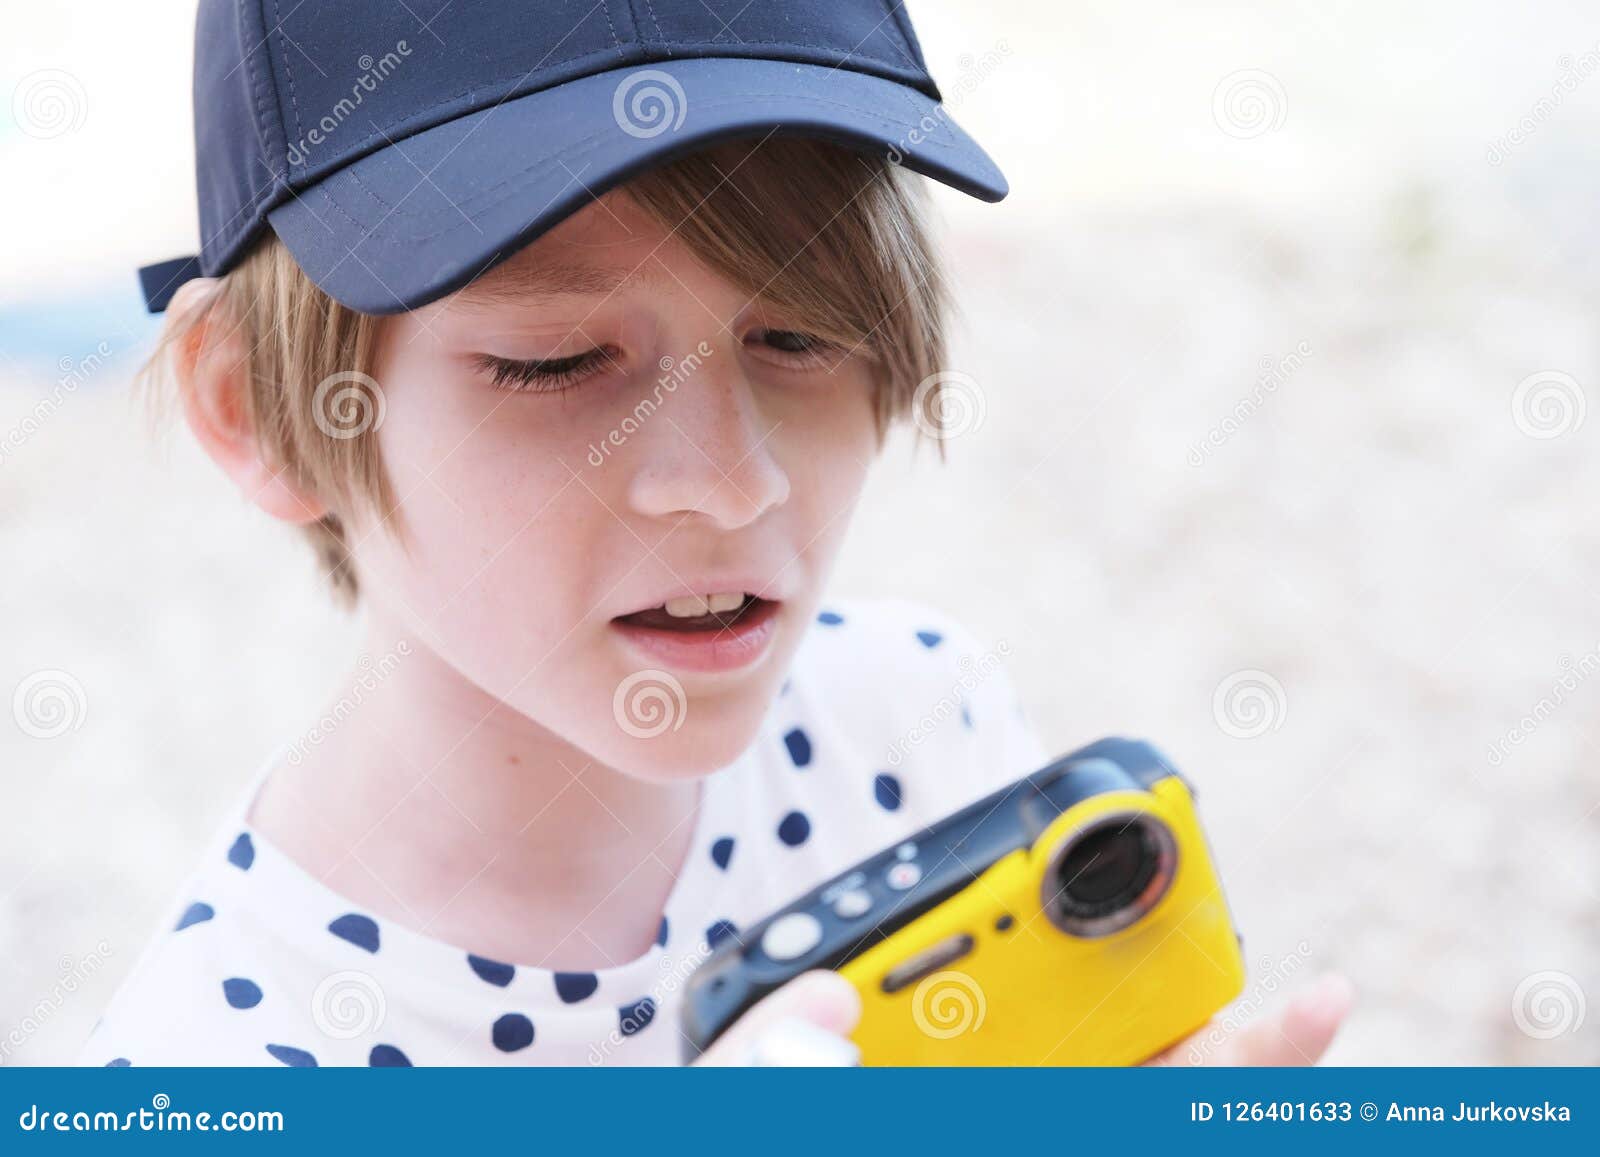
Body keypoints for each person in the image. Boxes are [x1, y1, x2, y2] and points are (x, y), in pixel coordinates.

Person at [83, 0, 1352, 1066]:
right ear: (250, 404)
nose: (731, 484)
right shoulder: (209, 1056)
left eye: (798, 334)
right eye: (558, 360)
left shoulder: (913, 725)